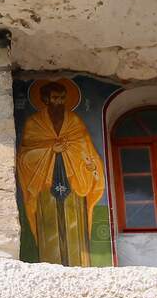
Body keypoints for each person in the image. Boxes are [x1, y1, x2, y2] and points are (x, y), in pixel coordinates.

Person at [17, 79, 104, 266]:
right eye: (55, 98)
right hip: (44, 186)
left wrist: (88, 166)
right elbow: (25, 156)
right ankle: (48, 266)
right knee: (49, 226)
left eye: (63, 98)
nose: (60, 102)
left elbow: (85, 148)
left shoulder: (74, 121)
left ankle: (80, 266)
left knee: (75, 228)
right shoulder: (34, 123)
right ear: (46, 99)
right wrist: (50, 150)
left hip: (74, 184)